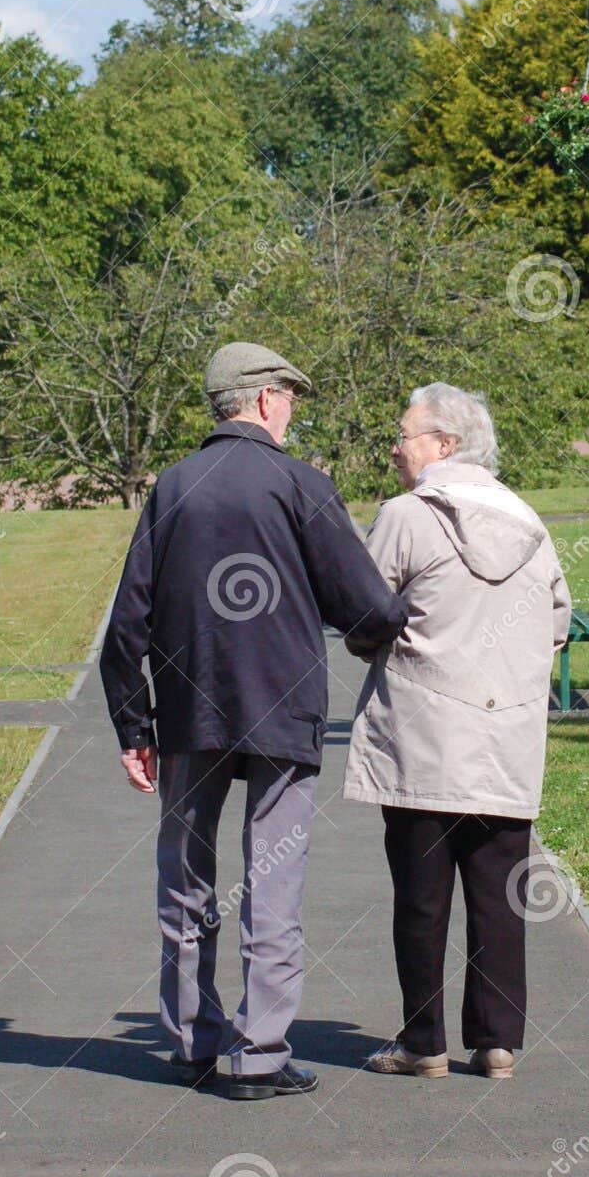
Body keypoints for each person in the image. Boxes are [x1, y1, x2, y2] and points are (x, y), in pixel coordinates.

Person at [100, 343, 409, 1100]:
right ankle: (260, 1052)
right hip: (281, 706)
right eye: (291, 397)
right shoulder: (300, 485)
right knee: (274, 882)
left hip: (186, 712)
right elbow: (367, 606)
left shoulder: (172, 487)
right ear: (265, 398)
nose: (293, 409)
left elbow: (125, 624)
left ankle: (191, 1042)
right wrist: (375, 636)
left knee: (184, 880)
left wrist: (132, 727)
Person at [344, 383, 571, 1080]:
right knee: (498, 893)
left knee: (421, 895)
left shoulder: (406, 517)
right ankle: (496, 1041)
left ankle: (423, 1044)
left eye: (404, 433)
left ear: (443, 445)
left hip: (422, 730)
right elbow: (557, 623)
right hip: (506, 732)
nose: (394, 446)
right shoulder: (529, 523)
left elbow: (366, 611)